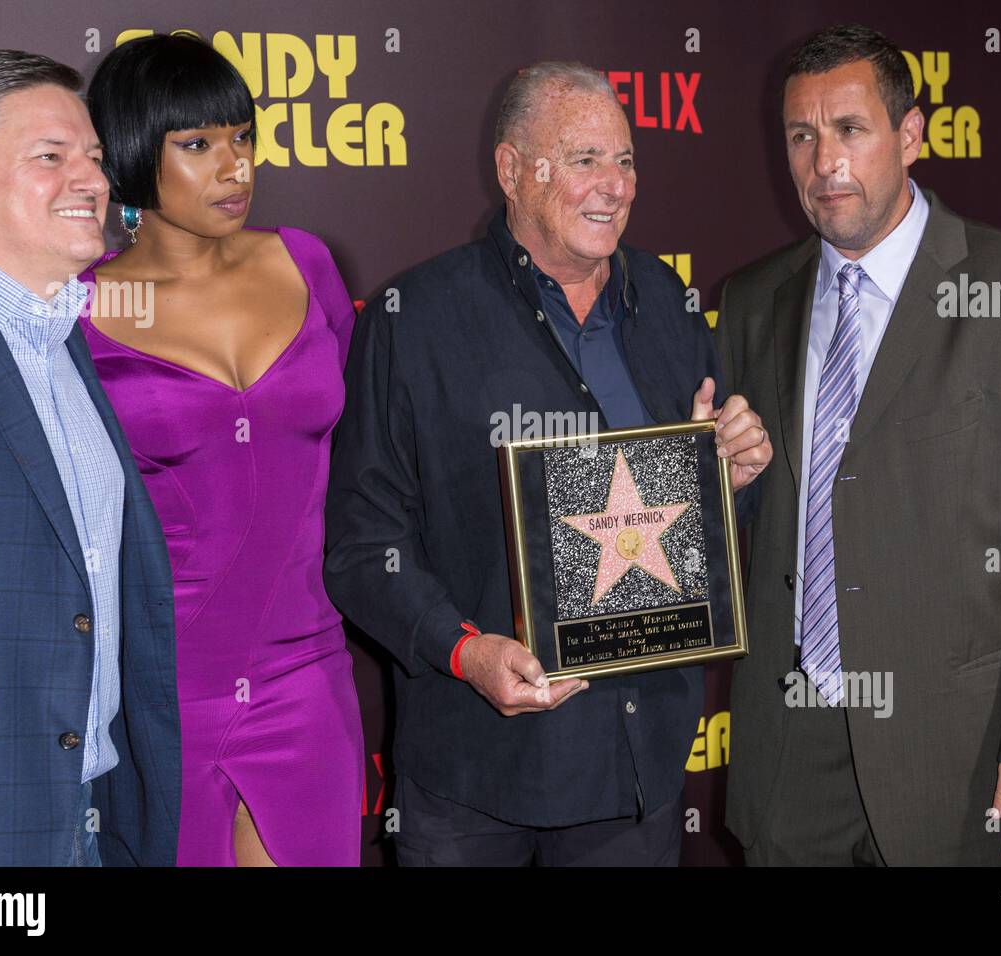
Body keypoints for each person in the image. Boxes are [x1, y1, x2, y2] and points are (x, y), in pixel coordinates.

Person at [324, 61, 771, 866]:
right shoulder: (414, 320)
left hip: (635, 779)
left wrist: (727, 481)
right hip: (475, 778)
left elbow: (701, 542)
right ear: (510, 170)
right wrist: (465, 652)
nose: (614, 186)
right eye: (584, 159)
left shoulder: (670, 307)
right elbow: (362, 549)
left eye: (626, 160)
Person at [719, 25, 1001, 866]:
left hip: (957, 750)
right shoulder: (754, 301)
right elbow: (748, 513)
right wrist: (729, 475)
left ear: (910, 135)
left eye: (850, 129)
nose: (825, 161)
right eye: (801, 135)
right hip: (792, 744)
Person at [78, 34, 363, 866]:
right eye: (197, 145)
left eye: (241, 137)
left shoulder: (305, 262)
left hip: (308, 669)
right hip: (166, 684)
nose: (235, 167)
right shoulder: (85, 304)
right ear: (134, 152)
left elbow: (371, 457)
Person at [0, 50, 180, 866]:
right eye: (51, 157)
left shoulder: (59, 340)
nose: (91, 178)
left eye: (92, 157)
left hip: (82, 818)